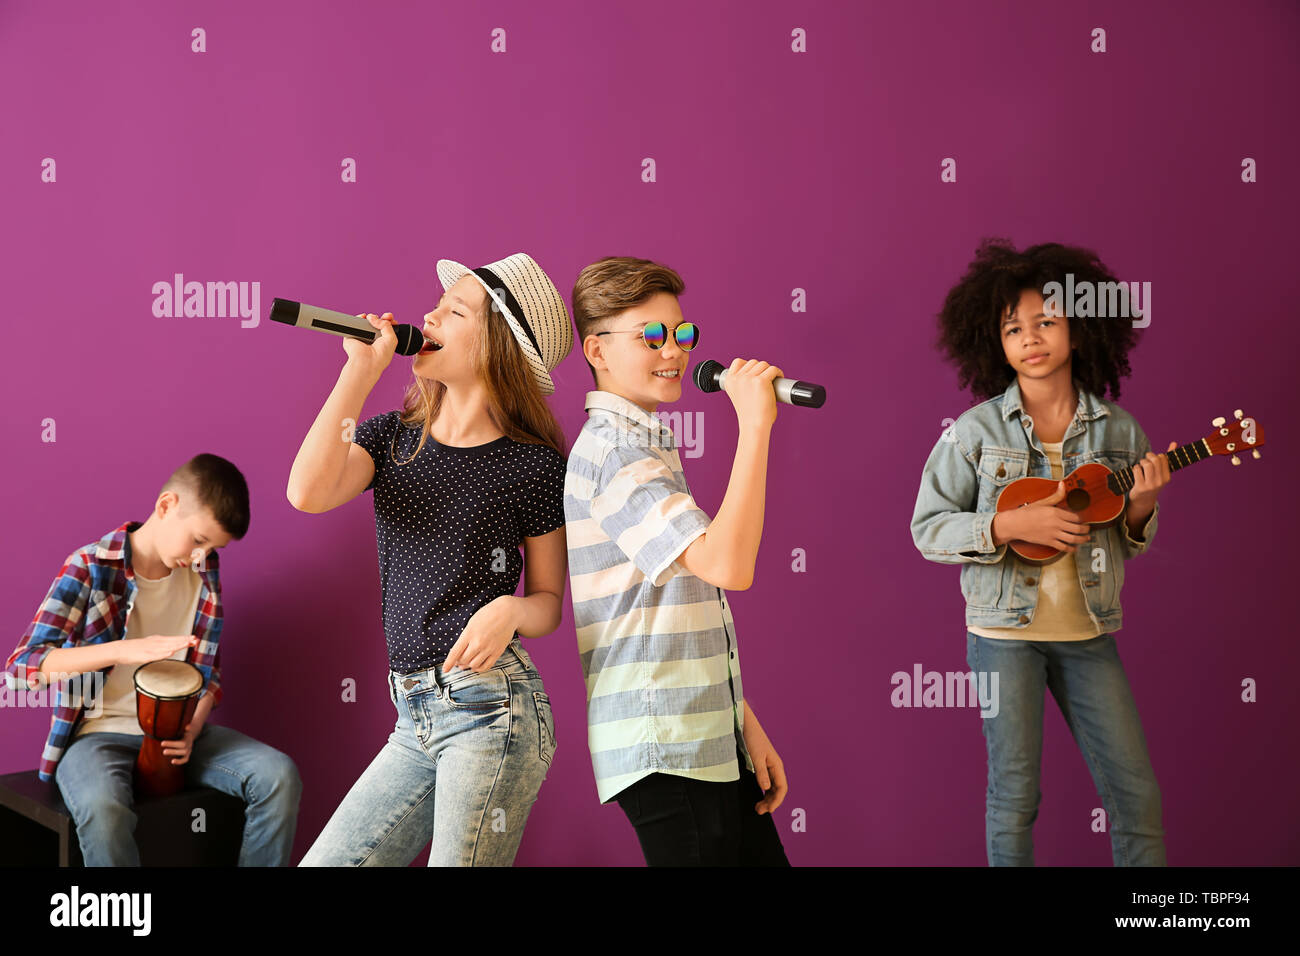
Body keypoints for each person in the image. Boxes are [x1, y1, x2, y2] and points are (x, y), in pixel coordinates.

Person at [291, 253, 571, 867]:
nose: (430, 313)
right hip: (413, 715)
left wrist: (512, 608)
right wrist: (357, 377)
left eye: (454, 309)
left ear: (500, 344)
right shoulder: (393, 435)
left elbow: (549, 603)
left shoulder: (533, 466)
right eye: (437, 303)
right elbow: (307, 493)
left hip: (492, 712)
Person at [911, 238, 1175, 866]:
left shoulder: (1119, 431)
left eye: (1046, 322)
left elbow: (1127, 542)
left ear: (1079, 331)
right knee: (1015, 796)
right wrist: (1006, 523)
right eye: (1012, 328)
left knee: (1137, 795)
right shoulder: (974, 433)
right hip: (1004, 635)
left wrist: (1141, 508)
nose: (1030, 338)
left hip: (1087, 630)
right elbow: (928, 529)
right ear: (994, 344)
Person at [563, 255, 790, 866]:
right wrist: (755, 426)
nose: (675, 351)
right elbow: (728, 567)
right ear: (598, 351)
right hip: (666, 743)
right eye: (653, 337)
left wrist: (738, 718)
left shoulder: (642, 443)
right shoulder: (614, 452)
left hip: (705, 733)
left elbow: (667, 607)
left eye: (683, 334)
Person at [5, 454, 302, 866]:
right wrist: (122, 651)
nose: (201, 556)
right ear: (166, 506)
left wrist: (194, 729)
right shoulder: (89, 566)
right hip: (98, 735)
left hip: (179, 733)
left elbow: (207, 675)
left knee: (278, 775)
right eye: (198, 540)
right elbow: (20, 669)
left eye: (213, 548)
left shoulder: (204, 573)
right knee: (104, 811)